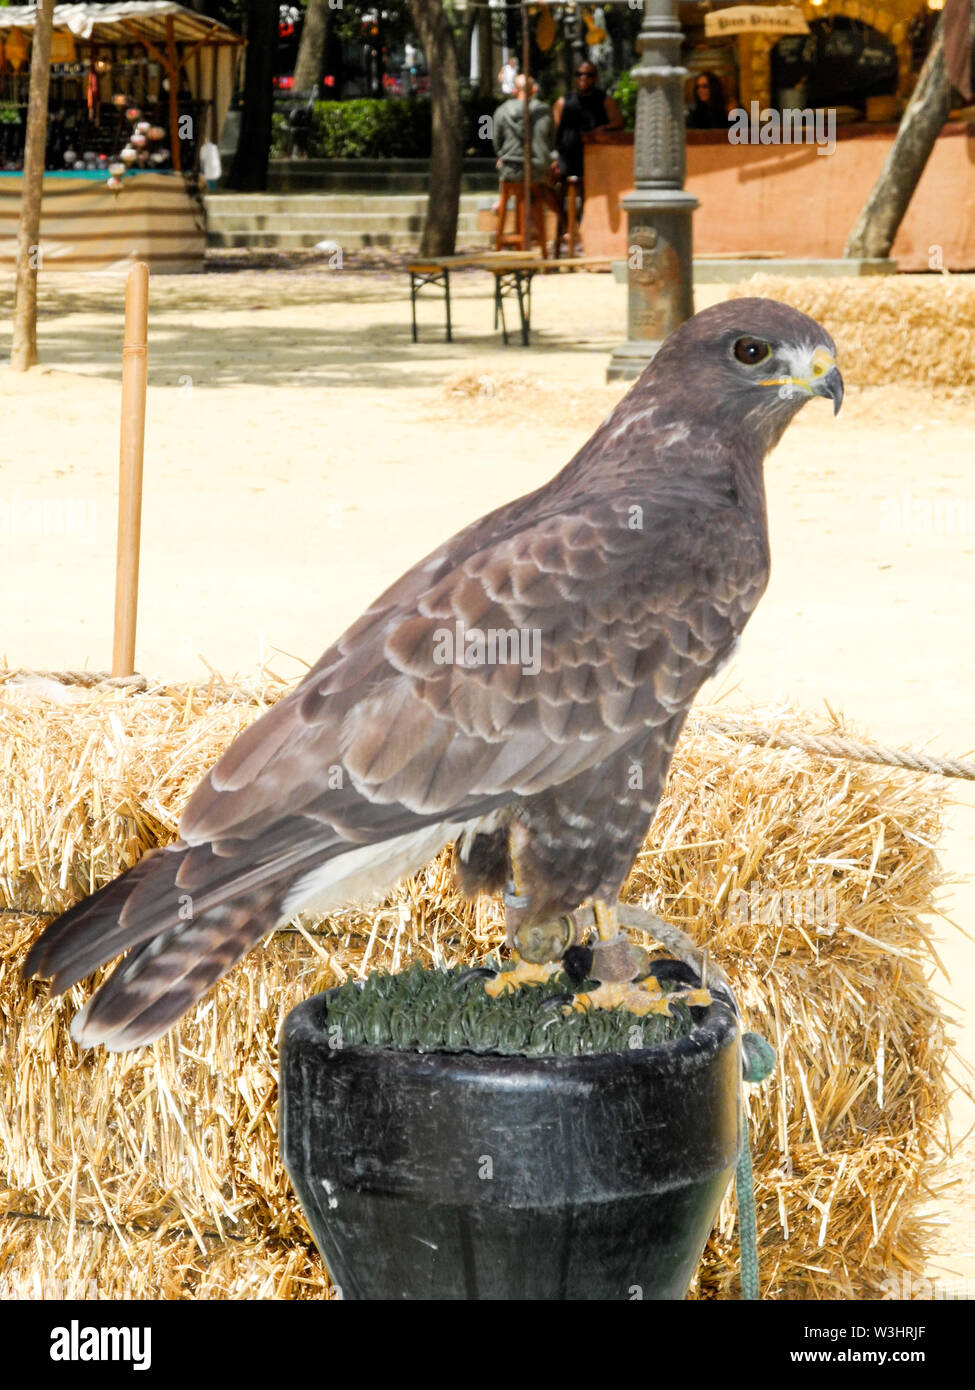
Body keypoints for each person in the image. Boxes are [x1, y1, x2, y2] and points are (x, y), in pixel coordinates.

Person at [492, 75, 557, 253]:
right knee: (543, 190)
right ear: (534, 90)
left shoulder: (502, 111)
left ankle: (501, 203)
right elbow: (551, 142)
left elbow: (496, 142)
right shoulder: (544, 111)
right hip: (538, 171)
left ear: (514, 90)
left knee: (505, 171)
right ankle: (544, 245)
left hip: (511, 171)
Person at [552, 61, 623, 220]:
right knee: (546, 184)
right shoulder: (563, 102)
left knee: (590, 194)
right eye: (579, 74)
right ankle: (564, 225)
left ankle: (584, 226)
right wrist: (555, 157)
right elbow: (554, 132)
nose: (583, 78)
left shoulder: (604, 100)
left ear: (595, 78)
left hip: (594, 157)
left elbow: (618, 123)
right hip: (567, 157)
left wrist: (603, 129)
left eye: (588, 75)